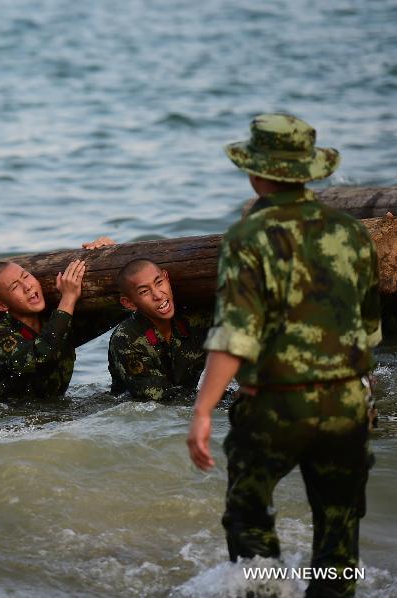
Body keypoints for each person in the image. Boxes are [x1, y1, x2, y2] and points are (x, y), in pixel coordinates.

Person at [186, 114, 380, 597]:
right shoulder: (351, 232)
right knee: (338, 532)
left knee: (249, 520)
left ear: (256, 172)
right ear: (308, 171)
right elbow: (370, 329)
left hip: (277, 405)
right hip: (346, 404)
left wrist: (203, 410)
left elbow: (236, 332)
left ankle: (265, 592)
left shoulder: (247, 236)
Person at [0, 259, 107, 402]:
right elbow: (40, 356)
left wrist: (100, 255)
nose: (27, 286)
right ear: (2, 305)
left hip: (53, 410)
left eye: (26, 276)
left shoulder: (52, 321)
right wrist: (68, 297)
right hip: (12, 417)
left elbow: (113, 315)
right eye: (15, 287)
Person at [107, 258, 211, 402]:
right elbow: (157, 400)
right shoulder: (126, 338)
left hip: (185, 404)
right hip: (136, 416)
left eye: (159, 283)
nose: (158, 295)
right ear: (129, 303)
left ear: (167, 278)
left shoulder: (196, 321)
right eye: (144, 291)